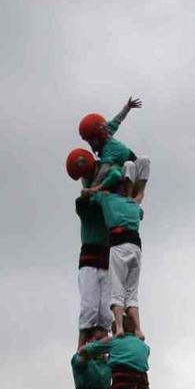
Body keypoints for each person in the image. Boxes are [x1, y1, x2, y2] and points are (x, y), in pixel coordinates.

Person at [66, 149, 113, 355]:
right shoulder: (84, 204)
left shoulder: (109, 204)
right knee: (89, 309)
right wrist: (96, 186)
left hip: (107, 260)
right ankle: (80, 348)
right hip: (89, 260)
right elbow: (83, 199)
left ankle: (101, 353)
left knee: (105, 314)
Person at [84, 183, 144, 339]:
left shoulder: (108, 198)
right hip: (136, 247)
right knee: (132, 294)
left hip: (119, 245)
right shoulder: (133, 204)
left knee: (117, 291)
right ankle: (138, 329)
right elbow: (141, 212)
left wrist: (95, 189)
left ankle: (119, 328)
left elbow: (86, 194)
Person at [77, 98, 148, 201]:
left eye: (92, 139)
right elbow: (104, 170)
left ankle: (140, 195)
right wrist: (93, 189)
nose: (91, 143)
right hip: (125, 172)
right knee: (128, 166)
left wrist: (127, 108)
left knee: (144, 160)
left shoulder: (107, 139)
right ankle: (128, 197)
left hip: (133, 167)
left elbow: (117, 120)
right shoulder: (106, 145)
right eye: (89, 140)